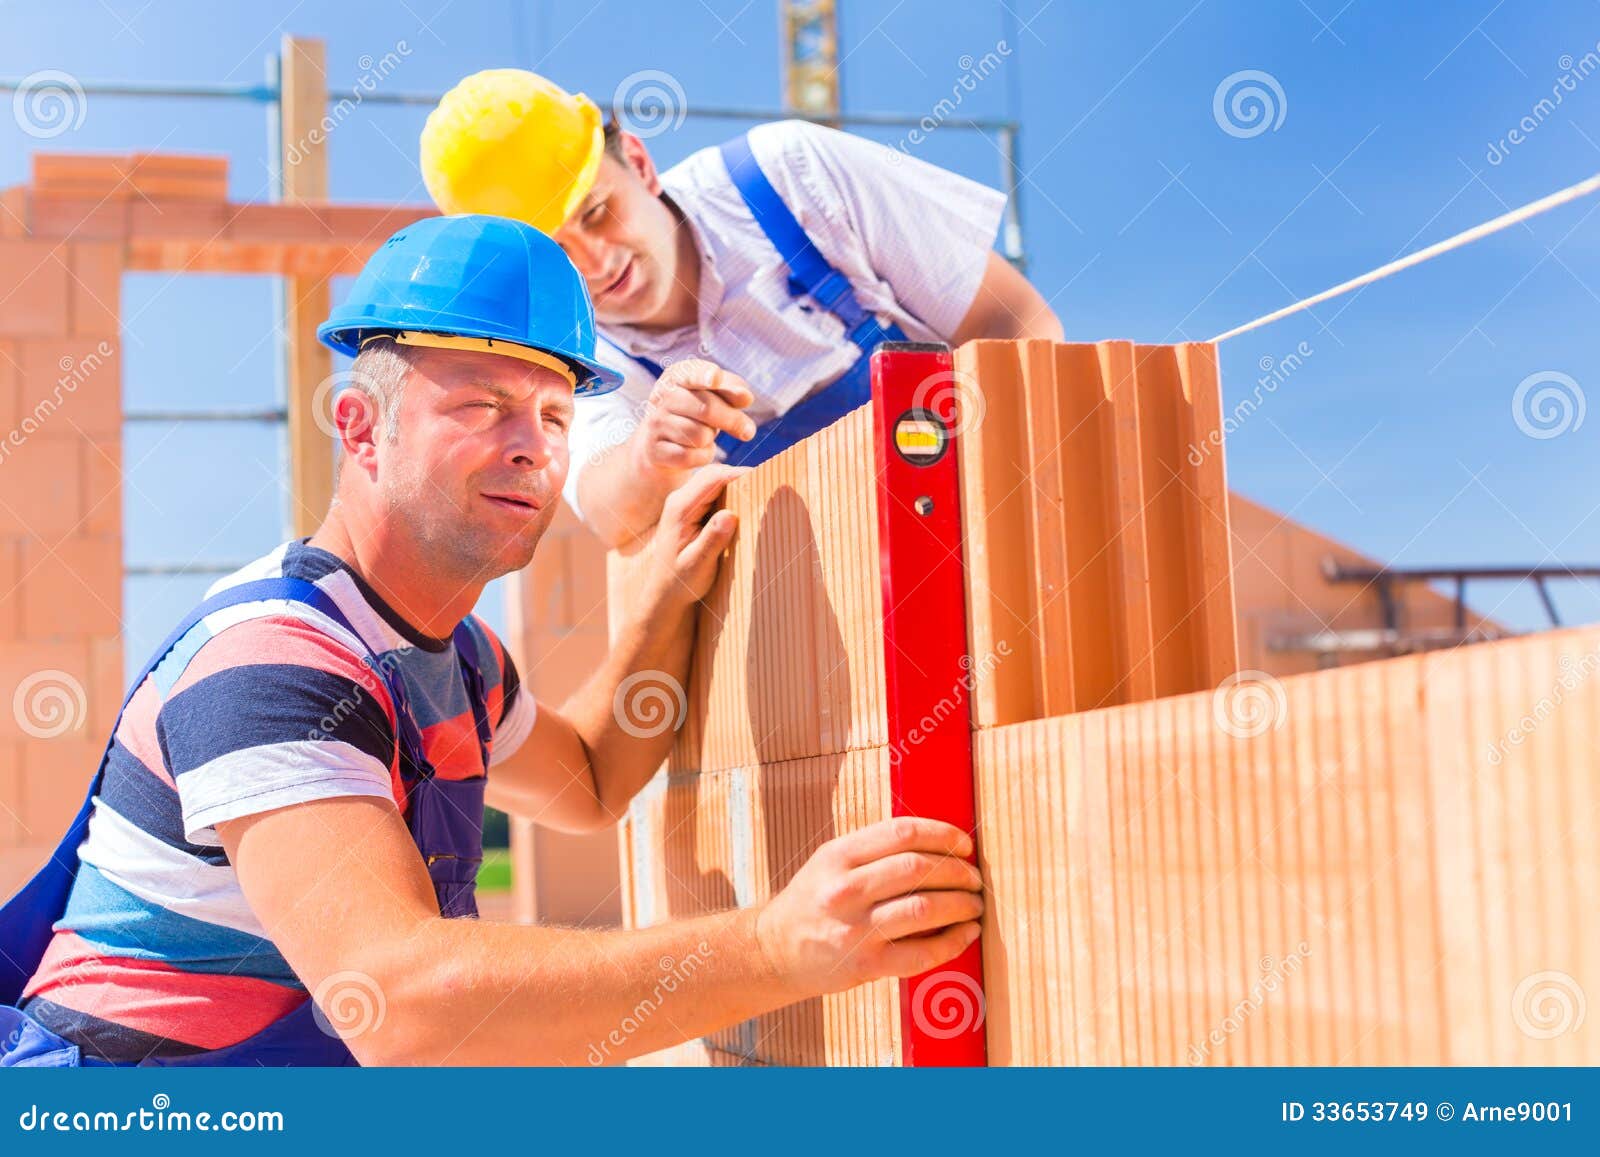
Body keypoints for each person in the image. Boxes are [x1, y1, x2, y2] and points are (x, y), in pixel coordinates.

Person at [0, 215, 983, 1067]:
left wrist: (662, 599)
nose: (533, 447)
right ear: (361, 428)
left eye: (555, 414)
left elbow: (589, 777)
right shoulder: (273, 665)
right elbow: (400, 1003)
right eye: (482, 406)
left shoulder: (455, 658)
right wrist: (777, 947)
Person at [421, 69, 1064, 547]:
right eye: (557, 253)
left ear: (640, 163)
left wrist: (1000, 502)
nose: (594, 263)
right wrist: (650, 454)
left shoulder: (790, 177)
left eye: (596, 213)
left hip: (983, 508)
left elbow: (1014, 322)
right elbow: (611, 513)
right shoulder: (573, 357)